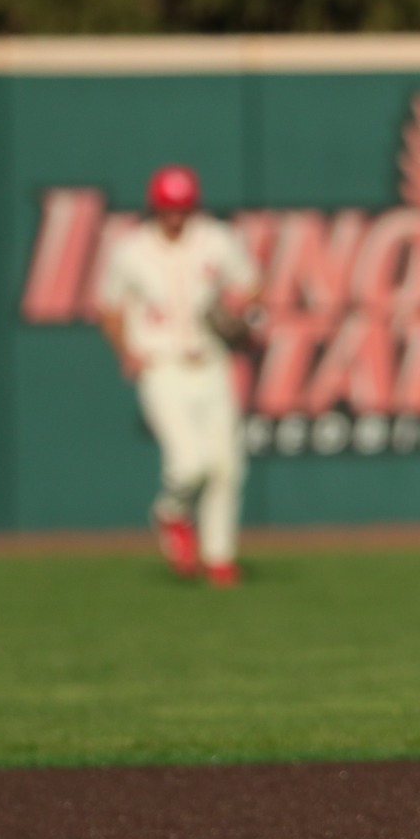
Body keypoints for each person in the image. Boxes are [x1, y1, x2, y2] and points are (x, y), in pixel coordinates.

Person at [95, 164, 259, 587]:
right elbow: (110, 307)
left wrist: (238, 307)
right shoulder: (132, 250)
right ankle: (170, 513)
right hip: (162, 365)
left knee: (226, 467)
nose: (175, 216)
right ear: (154, 208)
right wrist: (125, 350)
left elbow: (250, 283)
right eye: (168, 208)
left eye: (183, 207)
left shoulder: (215, 239)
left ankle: (219, 557)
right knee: (189, 463)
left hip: (211, 361)